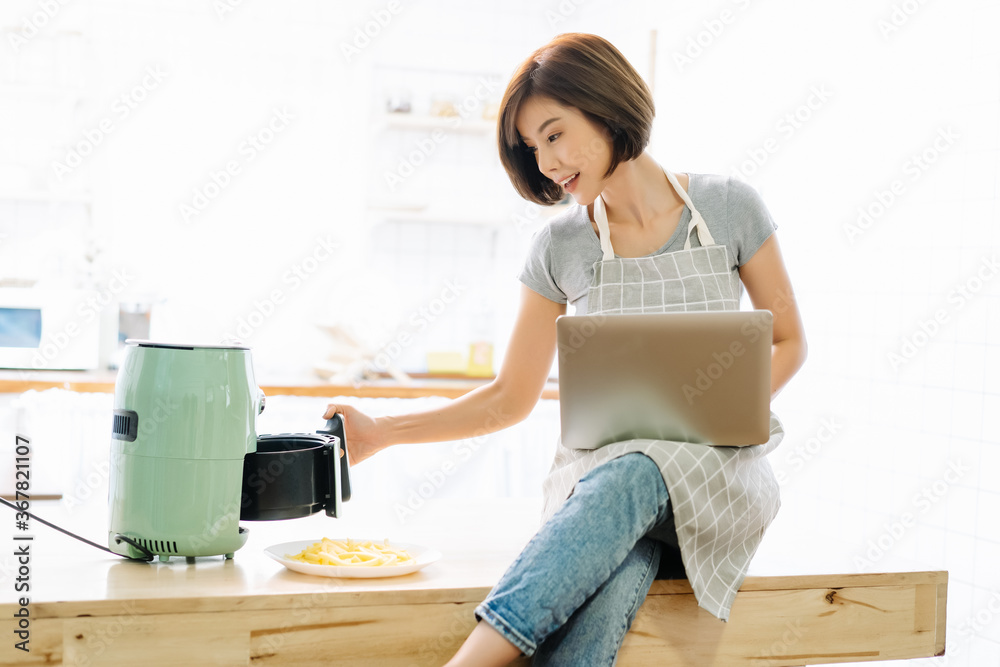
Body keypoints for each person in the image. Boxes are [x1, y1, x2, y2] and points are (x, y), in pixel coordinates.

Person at [323, 32, 807, 667]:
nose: (547, 162)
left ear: (606, 106)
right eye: (532, 147)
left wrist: (708, 415)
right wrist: (382, 431)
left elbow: (789, 341)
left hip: (717, 476)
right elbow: (507, 398)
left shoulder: (727, 206)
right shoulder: (561, 249)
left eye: (554, 134)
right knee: (605, 583)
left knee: (643, 464)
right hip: (601, 491)